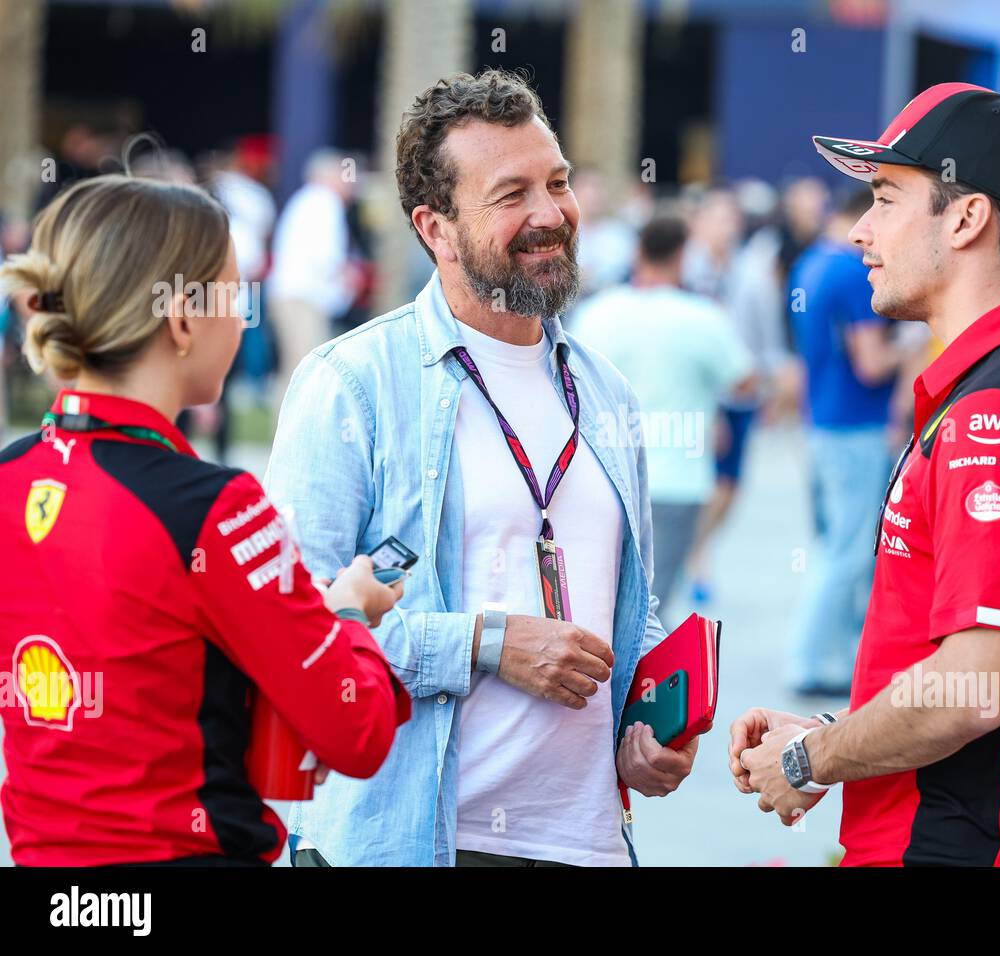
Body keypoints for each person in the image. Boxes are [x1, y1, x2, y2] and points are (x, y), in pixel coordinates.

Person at [264, 69, 696, 868]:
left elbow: (630, 606)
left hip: (587, 840)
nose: (550, 214)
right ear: (436, 227)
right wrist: (484, 644)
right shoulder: (352, 384)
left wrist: (650, 725)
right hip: (417, 840)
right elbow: (295, 636)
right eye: (512, 194)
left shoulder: (606, 391)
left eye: (558, 183)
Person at [731, 83, 1000, 866]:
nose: (860, 232)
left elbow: (976, 685)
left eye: (884, 199)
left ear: (967, 217)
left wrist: (811, 760)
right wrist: (833, 737)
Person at [0, 174, 410, 866]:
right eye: (235, 293)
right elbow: (355, 731)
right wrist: (347, 615)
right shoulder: (214, 507)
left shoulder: (11, 478)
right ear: (183, 320)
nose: (246, 316)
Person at [572, 213, 755, 605]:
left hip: (603, 476)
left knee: (604, 601)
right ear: (683, 255)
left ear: (638, 252)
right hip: (676, 477)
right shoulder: (703, 317)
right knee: (652, 605)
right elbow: (744, 383)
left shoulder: (595, 314)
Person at [785, 187, 910, 696]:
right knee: (849, 549)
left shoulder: (809, 265)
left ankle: (827, 655)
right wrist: (917, 341)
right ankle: (813, 660)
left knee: (834, 543)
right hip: (856, 424)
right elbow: (872, 362)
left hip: (822, 420)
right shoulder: (851, 271)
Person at [266, 148, 359, 405]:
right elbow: (326, 256)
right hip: (303, 299)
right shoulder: (324, 202)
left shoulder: (306, 200)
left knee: (293, 367)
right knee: (304, 370)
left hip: (292, 296)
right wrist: (347, 273)